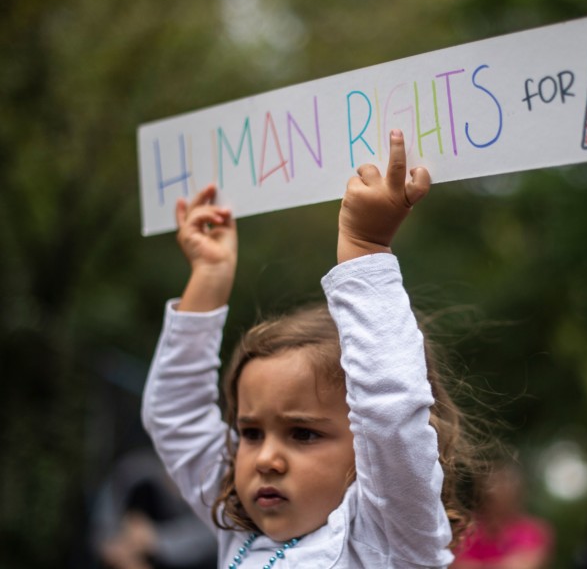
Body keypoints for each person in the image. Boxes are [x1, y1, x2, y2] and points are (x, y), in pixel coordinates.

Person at [141, 129, 481, 568]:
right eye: (250, 433)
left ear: (366, 452)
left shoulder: (388, 538)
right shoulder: (240, 526)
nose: (266, 459)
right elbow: (175, 417)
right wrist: (208, 277)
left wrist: (365, 249)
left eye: (303, 433)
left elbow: (390, 416)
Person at [90, 447, 217, 569]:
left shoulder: (212, 489)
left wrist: (154, 540)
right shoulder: (139, 469)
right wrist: (115, 544)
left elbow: (212, 538)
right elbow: (105, 531)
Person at [451, 458, 554, 569]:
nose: (498, 490)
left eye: (505, 484)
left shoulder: (534, 530)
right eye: (494, 484)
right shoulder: (465, 528)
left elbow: (527, 564)